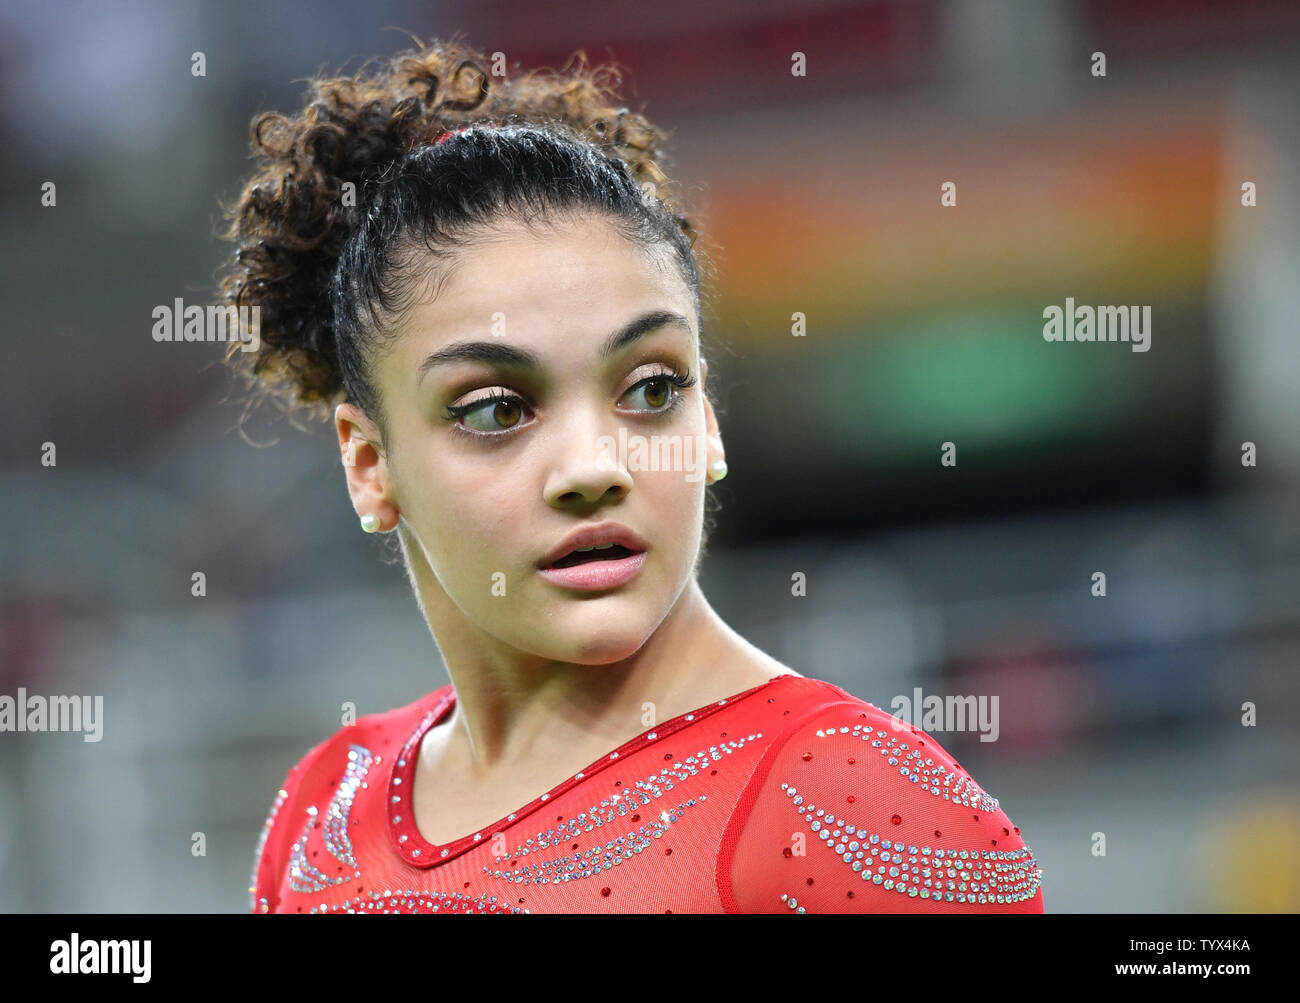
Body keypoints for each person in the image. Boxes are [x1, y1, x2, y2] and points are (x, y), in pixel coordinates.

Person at [222, 36, 1044, 914]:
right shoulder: (325, 814)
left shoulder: (852, 804)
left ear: (710, 421)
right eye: (498, 408)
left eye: (652, 388)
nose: (594, 467)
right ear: (369, 464)